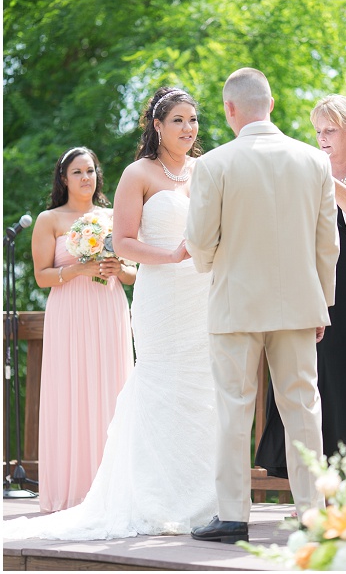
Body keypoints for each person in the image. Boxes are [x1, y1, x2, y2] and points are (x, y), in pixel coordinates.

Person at [5, 87, 217, 540]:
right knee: (157, 386)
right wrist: (173, 256)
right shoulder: (137, 173)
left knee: (203, 389)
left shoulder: (206, 169)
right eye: (178, 120)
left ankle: (204, 497)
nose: (189, 128)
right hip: (159, 296)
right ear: (157, 126)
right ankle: (148, 495)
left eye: (193, 120)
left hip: (199, 292)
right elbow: (124, 241)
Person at [187, 67, 338, 544]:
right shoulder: (315, 161)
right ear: (270, 104)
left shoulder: (214, 164)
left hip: (235, 304)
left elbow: (200, 241)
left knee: (234, 408)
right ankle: (313, 512)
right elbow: (326, 244)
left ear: (231, 109)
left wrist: (213, 262)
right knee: (303, 409)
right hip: (298, 306)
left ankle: (233, 516)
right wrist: (323, 304)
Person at [255, 94, 346, 478]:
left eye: (330, 130)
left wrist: (329, 182)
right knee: (317, 389)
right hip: (317, 294)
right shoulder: (309, 175)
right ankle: (314, 491)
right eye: (318, 131)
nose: (322, 139)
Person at [29, 146, 136, 513]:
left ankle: (114, 488)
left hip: (108, 308)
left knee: (112, 389)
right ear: (63, 178)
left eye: (90, 171)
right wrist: (75, 270)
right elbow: (41, 276)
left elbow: (136, 271)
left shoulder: (111, 215)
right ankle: (72, 490)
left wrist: (117, 270)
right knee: (71, 390)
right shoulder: (49, 220)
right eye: (77, 172)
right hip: (69, 313)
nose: (85, 178)